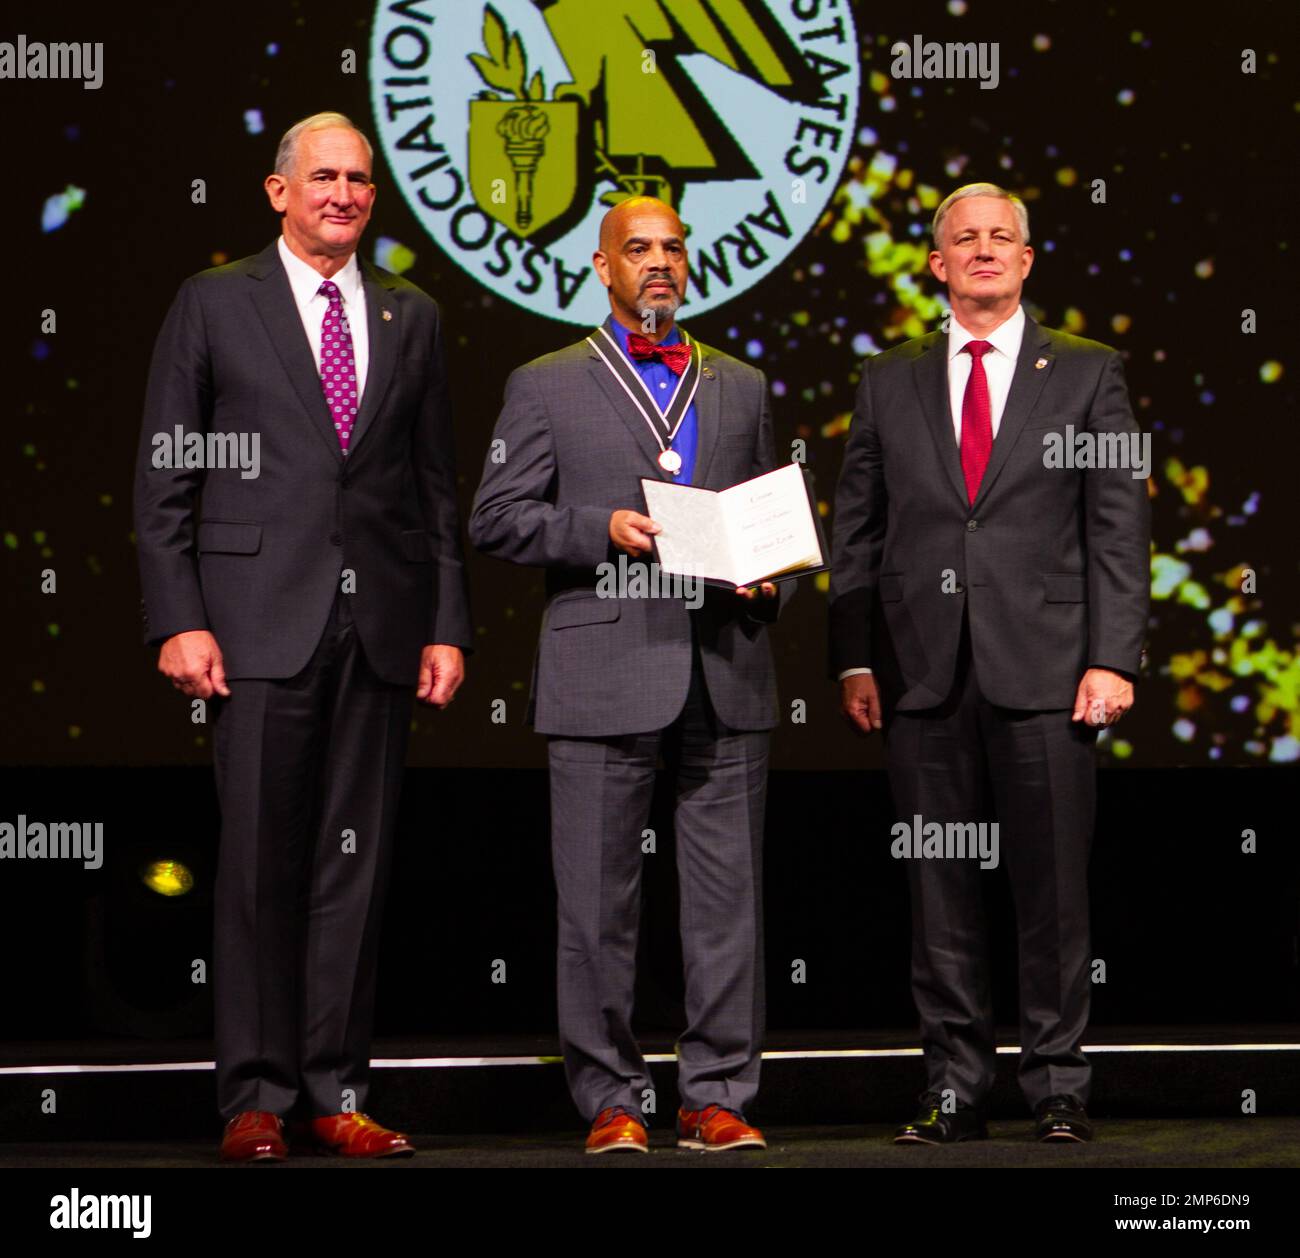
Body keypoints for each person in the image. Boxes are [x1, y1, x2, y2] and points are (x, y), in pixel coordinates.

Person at [133, 112, 472, 1161]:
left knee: (349, 871)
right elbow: (164, 477)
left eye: (360, 179)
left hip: (377, 630)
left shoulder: (411, 314)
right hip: (253, 626)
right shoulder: (213, 300)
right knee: (254, 873)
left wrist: (446, 624)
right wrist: (178, 615)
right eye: (322, 177)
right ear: (277, 192)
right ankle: (254, 1099)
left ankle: (336, 1091)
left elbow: (429, 488)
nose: (344, 193)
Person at [829, 182, 1149, 1144]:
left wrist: (1114, 656)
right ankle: (953, 1085)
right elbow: (857, 530)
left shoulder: (1093, 372)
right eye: (963, 239)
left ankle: (1057, 1084)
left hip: (1050, 670)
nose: (982, 250)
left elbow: (1120, 526)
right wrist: (853, 662)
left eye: (1000, 237)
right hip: (922, 674)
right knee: (941, 888)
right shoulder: (888, 378)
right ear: (937, 264)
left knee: (1051, 886)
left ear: (1026, 259)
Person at [470, 196, 787, 1154]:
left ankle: (717, 1094)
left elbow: (764, 513)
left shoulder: (741, 385)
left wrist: (770, 579)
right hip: (601, 664)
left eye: (673, 250)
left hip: (725, 668)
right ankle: (613, 1099)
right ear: (602, 268)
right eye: (638, 249)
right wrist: (596, 526)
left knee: (728, 906)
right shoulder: (546, 383)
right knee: (597, 905)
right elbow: (494, 517)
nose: (659, 263)